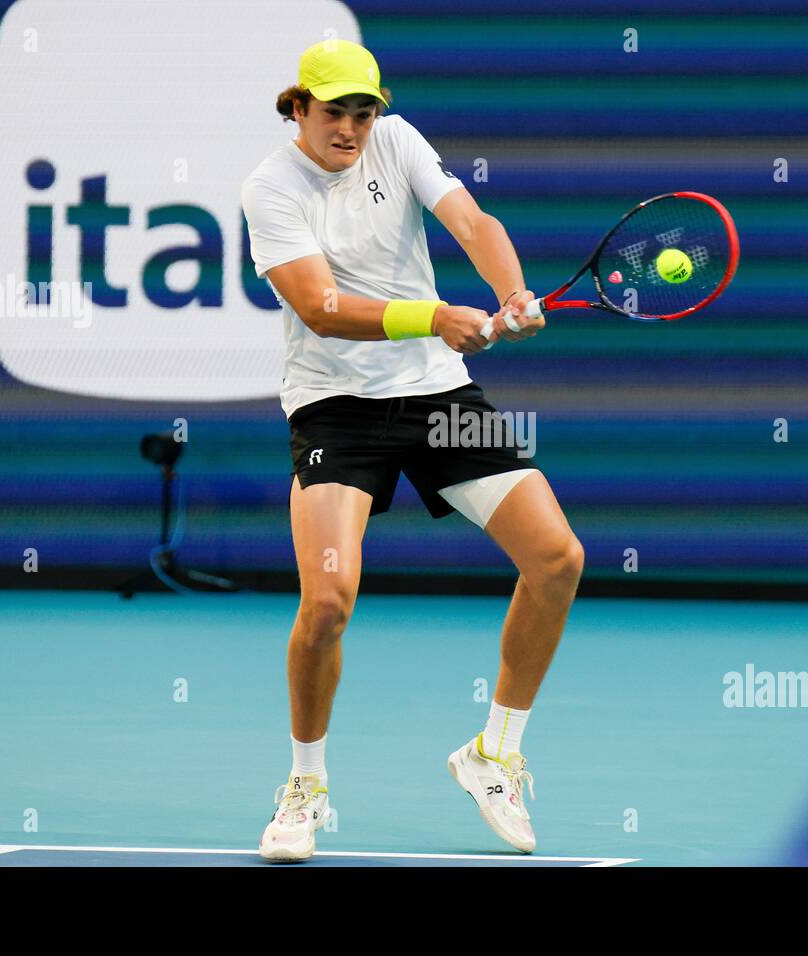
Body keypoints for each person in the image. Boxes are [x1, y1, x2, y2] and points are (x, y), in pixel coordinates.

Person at [241, 38, 583, 862]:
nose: (352, 128)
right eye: (335, 112)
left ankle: (495, 753)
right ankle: (304, 785)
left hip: (436, 398)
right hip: (336, 411)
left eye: (364, 111)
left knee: (558, 559)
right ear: (297, 108)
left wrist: (510, 293)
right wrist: (435, 315)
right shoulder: (270, 188)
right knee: (327, 603)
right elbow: (321, 308)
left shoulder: (397, 141)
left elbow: (471, 220)